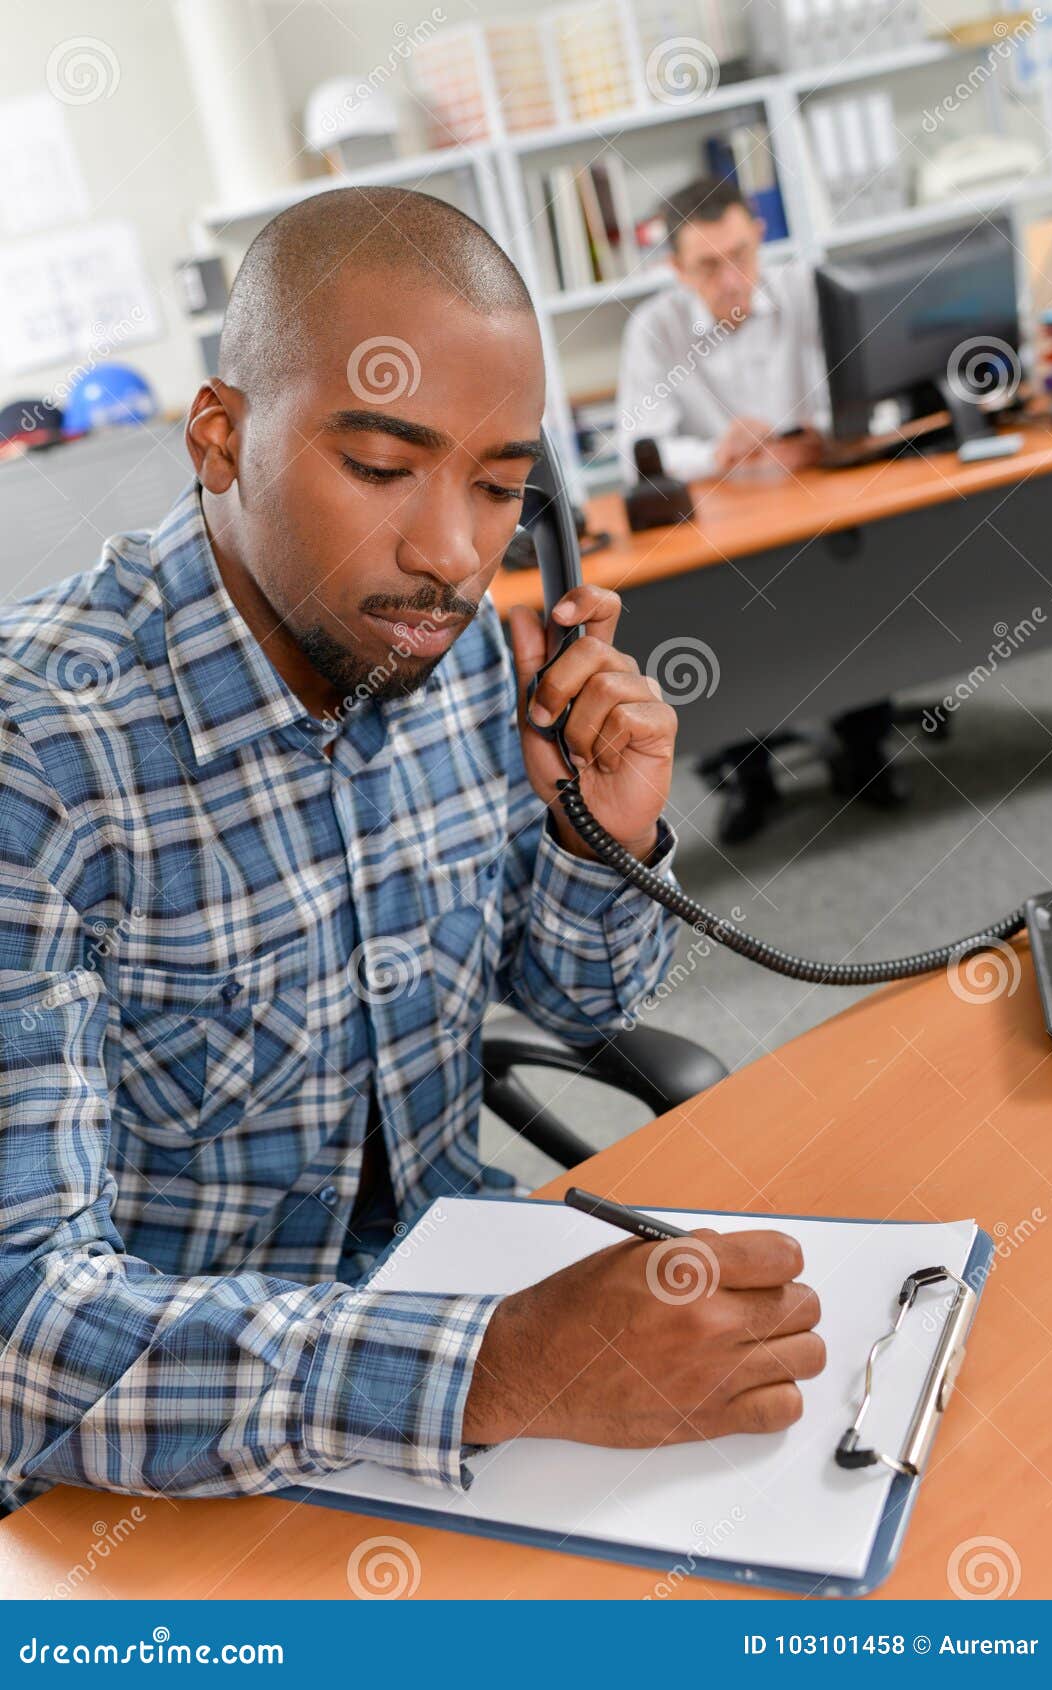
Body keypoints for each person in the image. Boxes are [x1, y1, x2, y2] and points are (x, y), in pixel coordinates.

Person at [0, 186, 823, 1519]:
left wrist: (591, 838)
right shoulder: (37, 755)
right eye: (383, 468)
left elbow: (578, 1003)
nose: (450, 553)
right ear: (220, 439)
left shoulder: (444, 654)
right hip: (165, 1457)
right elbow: (22, 1323)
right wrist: (490, 1368)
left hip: (465, 1306)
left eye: (501, 486)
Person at [615, 176, 907, 844]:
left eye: (742, 254)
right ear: (675, 270)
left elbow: (881, 395)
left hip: (820, 504)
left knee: (863, 584)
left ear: (760, 239)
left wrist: (828, 431)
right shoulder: (654, 331)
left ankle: (864, 745)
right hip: (720, 524)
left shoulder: (811, 292)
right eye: (708, 266)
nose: (732, 278)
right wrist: (713, 452)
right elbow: (640, 450)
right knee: (711, 617)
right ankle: (748, 775)